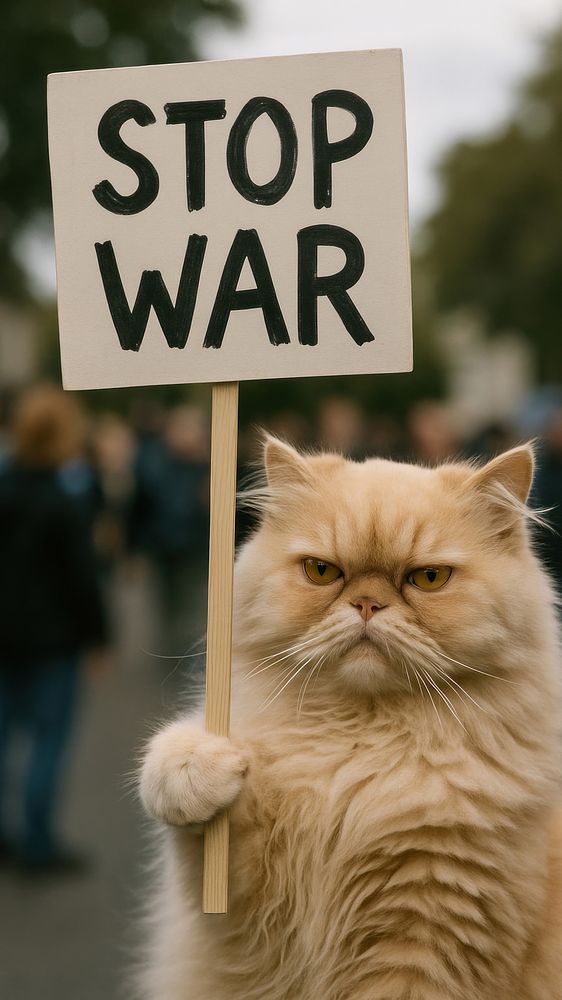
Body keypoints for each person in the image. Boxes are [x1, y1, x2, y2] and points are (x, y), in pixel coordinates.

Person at [0, 384, 110, 872]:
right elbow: (81, 581)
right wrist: (99, 637)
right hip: (52, 640)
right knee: (48, 740)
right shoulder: (62, 503)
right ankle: (37, 843)